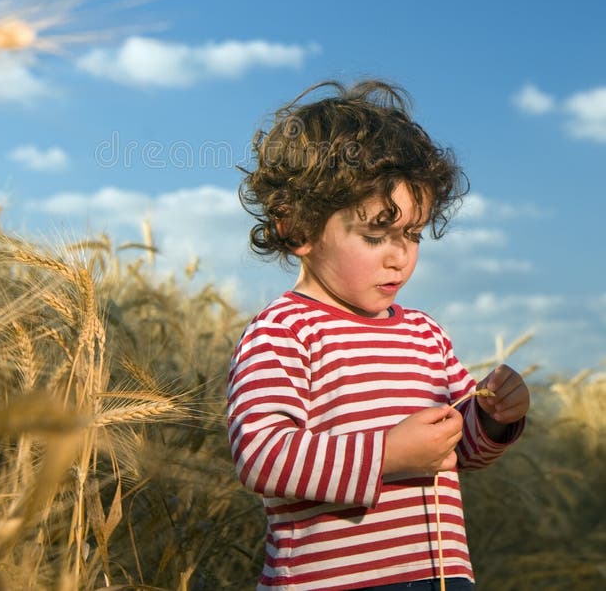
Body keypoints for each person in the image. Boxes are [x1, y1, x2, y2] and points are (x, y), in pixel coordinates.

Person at [226, 80, 529, 590]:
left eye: (411, 235)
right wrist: (388, 454)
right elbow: (261, 455)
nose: (400, 256)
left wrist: (495, 418)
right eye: (375, 236)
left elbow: (460, 447)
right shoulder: (284, 331)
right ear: (297, 227)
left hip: (440, 576)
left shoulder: (424, 334)